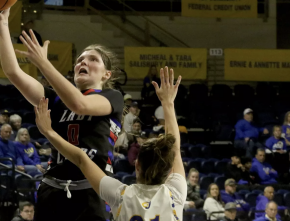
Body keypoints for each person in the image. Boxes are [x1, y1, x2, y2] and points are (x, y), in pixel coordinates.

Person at [0, 6, 127, 220]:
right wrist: (3, 23)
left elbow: (80, 105)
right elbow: (13, 72)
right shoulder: (56, 99)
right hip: (53, 188)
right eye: (80, 59)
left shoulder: (112, 96)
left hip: (92, 190)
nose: (83, 62)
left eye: (92, 59)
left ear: (107, 74)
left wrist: (43, 63)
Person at [33, 67, 186, 220]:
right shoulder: (176, 193)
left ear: (137, 165)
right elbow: (176, 150)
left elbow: (81, 158)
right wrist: (168, 103)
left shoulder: (121, 195)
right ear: (168, 170)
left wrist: (49, 131)